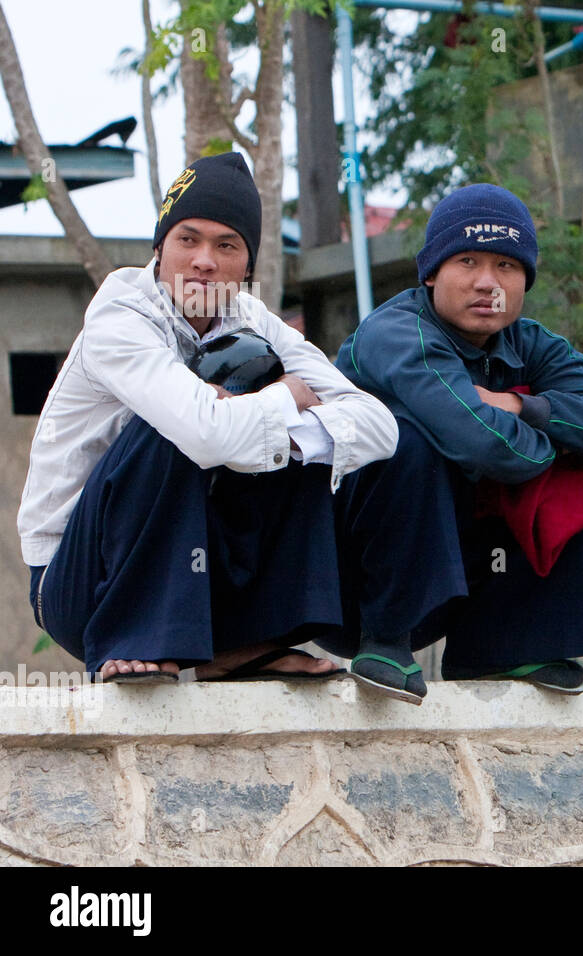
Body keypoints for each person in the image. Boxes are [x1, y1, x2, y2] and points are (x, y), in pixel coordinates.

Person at [17, 153, 398, 683]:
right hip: (78, 584)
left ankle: (247, 644)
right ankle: (134, 634)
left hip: (203, 586)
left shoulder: (252, 318)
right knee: (176, 428)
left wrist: (282, 432)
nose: (204, 261)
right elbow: (202, 433)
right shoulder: (121, 313)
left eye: (226, 246)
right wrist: (282, 398)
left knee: (299, 441)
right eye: (188, 239)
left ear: (247, 265)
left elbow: (379, 426)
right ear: (159, 248)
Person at [326, 184, 583, 703]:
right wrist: (558, 443)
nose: (487, 283)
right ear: (431, 273)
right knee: (410, 443)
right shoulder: (395, 332)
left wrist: (523, 406)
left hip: (453, 570)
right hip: (346, 583)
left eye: (506, 266)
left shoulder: (530, 342)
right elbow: (483, 443)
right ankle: (384, 639)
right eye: (468, 261)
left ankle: (503, 649)